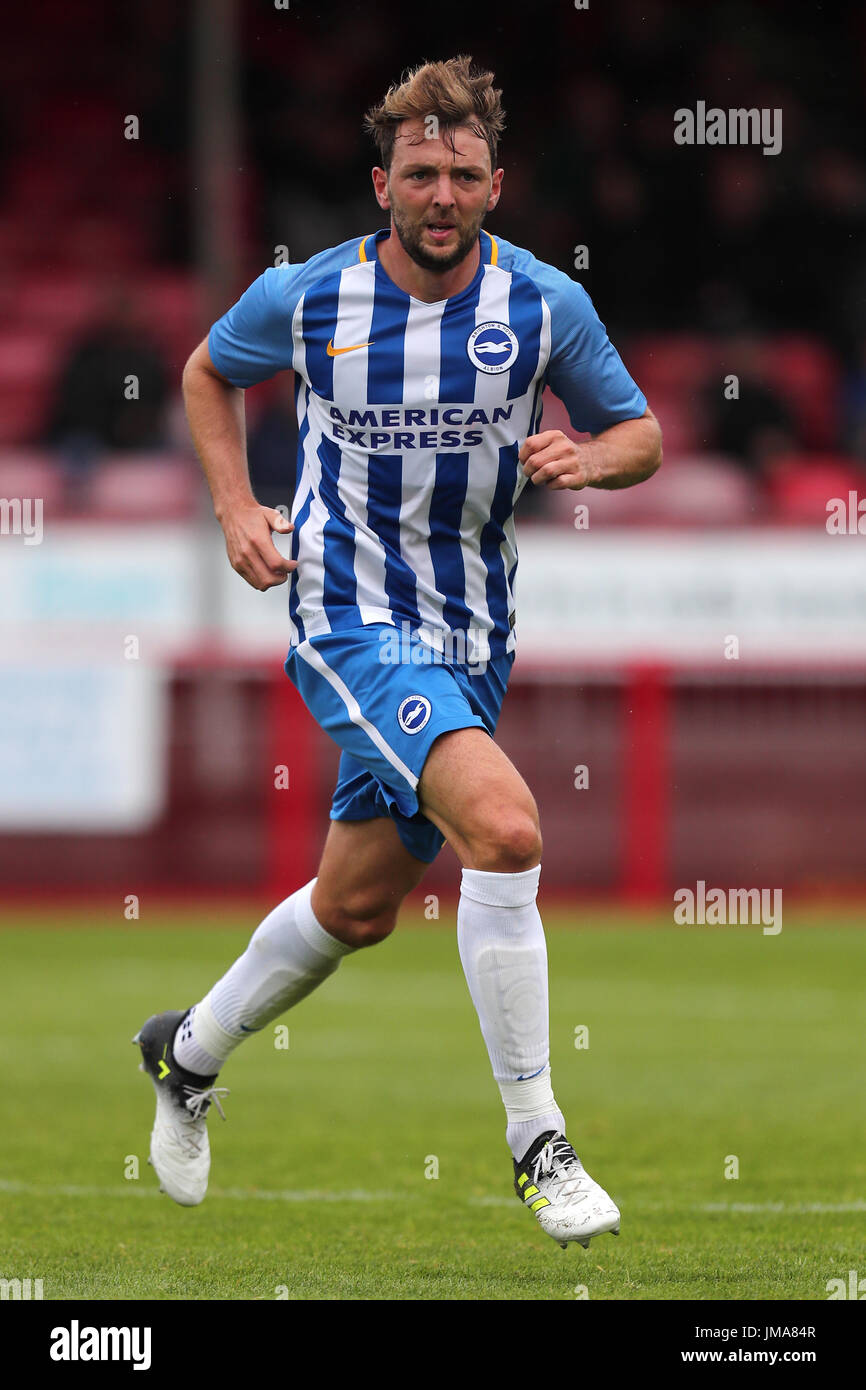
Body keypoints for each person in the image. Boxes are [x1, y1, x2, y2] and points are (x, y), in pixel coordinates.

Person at [134, 55, 661, 1251]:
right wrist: (234, 508)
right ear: (382, 182)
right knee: (509, 827)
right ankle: (539, 1142)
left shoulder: (540, 307)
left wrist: (592, 457)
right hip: (346, 614)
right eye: (417, 172)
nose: (439, 193)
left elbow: (642, 433)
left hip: (472, 635)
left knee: (358, 907)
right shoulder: (311, 296)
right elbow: (207, 372)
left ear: (494, 186)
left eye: (460, 174)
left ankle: (186, 1050)